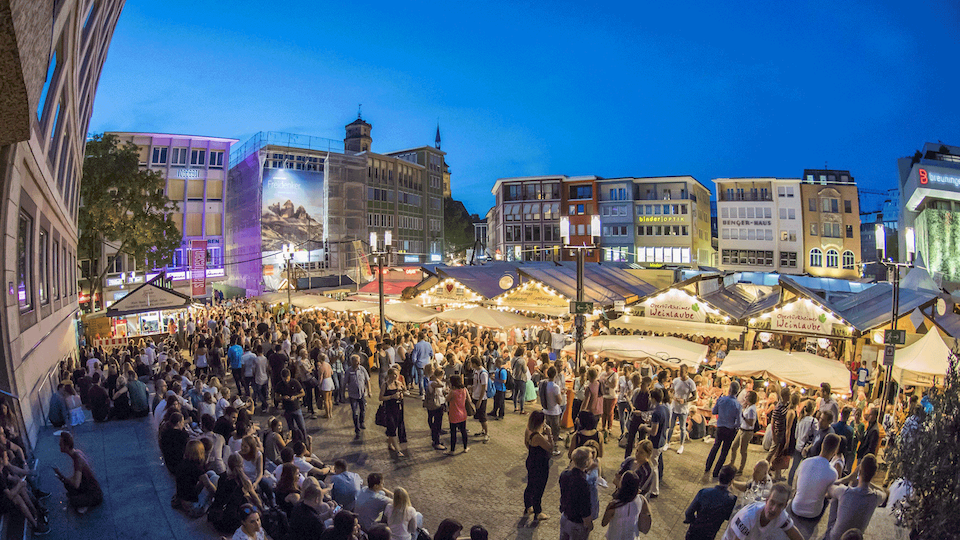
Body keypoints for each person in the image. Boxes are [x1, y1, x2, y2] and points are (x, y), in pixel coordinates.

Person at [822, 454, 886, 540]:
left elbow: (830, 487)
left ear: (859, 470)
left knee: (835, 496)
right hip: (856, 537)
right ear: (874, 474)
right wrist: (869, 482)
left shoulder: (844, 492)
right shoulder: (876, 497)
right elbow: (884, 493)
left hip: (834, 537)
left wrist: (849, 477)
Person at [790, 434, 841, 539]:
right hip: (813, 513)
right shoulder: (833, 473)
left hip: (795, 507)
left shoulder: (805, 462)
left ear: (822, 445)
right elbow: (830, 494)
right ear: (835, 451)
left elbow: (797, 480)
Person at [722, 483, 803, 540]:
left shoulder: (782, 516)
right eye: (772, 502)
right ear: (766, 500)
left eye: (780, 505)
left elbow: (795, 536)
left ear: (785, 506)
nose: (774, 509)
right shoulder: (748, 517)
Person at [53, 432, 103, 514]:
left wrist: (61, 476)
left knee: (73, 500)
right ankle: (81, 499)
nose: (59, 446)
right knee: (67, 485)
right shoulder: (76, 453)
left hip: (94, 495)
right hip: (87, 487)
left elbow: (76, 484)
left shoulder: (77, 460)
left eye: (61, 444)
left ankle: (85, 503)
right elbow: (76, 477)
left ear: (67, 446)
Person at [684, 465, 737, 540]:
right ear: (731, 481)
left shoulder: (704, 492)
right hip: (709, 534)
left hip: (694, 531)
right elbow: (728, 517)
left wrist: (693, 521)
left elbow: (689, 512)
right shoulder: (731, 499)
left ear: (719, 477)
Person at [705, 381, 741, 478]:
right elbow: (738, 422)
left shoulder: (721, 400)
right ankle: (716, 472)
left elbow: (714, 411)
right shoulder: (737, 404)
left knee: (715, 446)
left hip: (720, 427)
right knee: (724, 452)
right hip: (730, 430)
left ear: (729, 389)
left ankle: (708, 467)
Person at [523, 410, 553, 521]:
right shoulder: (538, 437)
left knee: (530, 485)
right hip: (540, 465)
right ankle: (538, 511)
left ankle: (528, 507)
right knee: (539, 488)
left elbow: (526, 444)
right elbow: (551, 447)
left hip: (531, 461)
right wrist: (549, 433)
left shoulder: (529, 430)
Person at [559, 447, 595, 540]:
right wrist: (589, 524)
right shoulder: (584, 483)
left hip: (565, 517)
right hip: (577, 524)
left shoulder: (564, 474)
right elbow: (585, 507)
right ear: (586, 462)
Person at [666, 364, 698, 455]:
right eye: (679, 371)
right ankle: (667, 443)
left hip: (683, 409)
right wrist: (673, 397)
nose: (680, 374)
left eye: (682, 372)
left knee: (682, 428)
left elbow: (695, 396)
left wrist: (685, 400)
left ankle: (681, 445)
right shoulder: (676, 380)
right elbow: (671, 391)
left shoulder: (690, 383)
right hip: (674, 407)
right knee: (671, 426)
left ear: (686, 372)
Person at [727, 391, 758, 475]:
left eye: (747, 396)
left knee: (743, 450)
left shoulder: (752, 409)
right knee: (734, 447)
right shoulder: (748, 406)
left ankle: (741, 469)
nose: (745, 398)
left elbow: (751, 423)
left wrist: (742, 416)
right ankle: (731, 463)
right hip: (742, 429)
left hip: (747, 432)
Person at [380, 368, 408, 457]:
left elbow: (404, 392)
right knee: (392, 427)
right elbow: (380, 398)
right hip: (389, 409)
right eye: (393, 374)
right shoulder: (385, 385)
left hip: (398, 408)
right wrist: (392, 396)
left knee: (395, 426)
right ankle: (398, 450)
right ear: (389, 375)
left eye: (396, 375)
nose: (395, 376)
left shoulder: (398, 383)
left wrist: (402, 393)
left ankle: (389, 444)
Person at [788, 401, 817, 486]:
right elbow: (816, 435)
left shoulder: (800, 420)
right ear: (813, 410)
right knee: (804, 469)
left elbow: (796, 435)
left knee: (794, 467)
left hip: (798, 446)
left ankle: (789, 484)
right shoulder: (813, 421)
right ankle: (800, 485)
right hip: (807, 448)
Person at [345, 354, 372, 440]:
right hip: (353, 395)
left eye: (358, 361)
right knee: (355, 412)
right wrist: (343, 394)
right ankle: (357, 429)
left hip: (362, 394)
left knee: (363, 409)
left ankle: (362, 422)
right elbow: (345, 382)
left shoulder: (362, 369)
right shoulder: (349, 371)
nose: (358, 363)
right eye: (356, 361)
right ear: (352, 361)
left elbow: (367, 380)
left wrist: (369, 391)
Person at [539, 366, 563, 454]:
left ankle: (546, 446)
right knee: (555, 431)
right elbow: (559, 401)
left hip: (546, 410)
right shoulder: (555, 387)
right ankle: (554, 448)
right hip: (554, 412)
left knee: (546, 431)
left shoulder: (543, 383)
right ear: (555, 375)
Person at [277, 368, 306, 438]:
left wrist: (295, 396)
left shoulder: (295, 382)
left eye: (287, 378)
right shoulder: (279, 385)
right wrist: (283, 397)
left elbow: (303, 393)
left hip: (296, 408)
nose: (286, 380)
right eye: (284, 379)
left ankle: (305, 441)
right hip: (287, 409)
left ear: (289, 376)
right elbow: (276, 397)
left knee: (302, 427)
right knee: (291, 429)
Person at [446, 374, 470, 455]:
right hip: (463, 413)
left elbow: (447, 399)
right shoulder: (464, 390)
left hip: (453, 414)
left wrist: (446, 392)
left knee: (453, 433)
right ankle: (465, 447)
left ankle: (452, 450)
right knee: (463, 431)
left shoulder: (453, 392)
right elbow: (469, 400)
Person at [470, 357, 490, 442]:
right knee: (479, 416)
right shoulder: (476, 371)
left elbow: (483, 388)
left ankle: (487, 433)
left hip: (481, 398)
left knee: (483, 417)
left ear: (475, 363)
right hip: (475, 395)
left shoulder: (483, 373)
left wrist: (480, 400)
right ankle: (482, 430)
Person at [511, 346, 528, 413]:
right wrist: (526, 362)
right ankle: (522, 409)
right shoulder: (522, 360)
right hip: (521, 378)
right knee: (522, 394)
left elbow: (512, 367)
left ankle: (515, 407)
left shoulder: (513, 359)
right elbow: (525, 370)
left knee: (515, 393)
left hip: (515, 378)